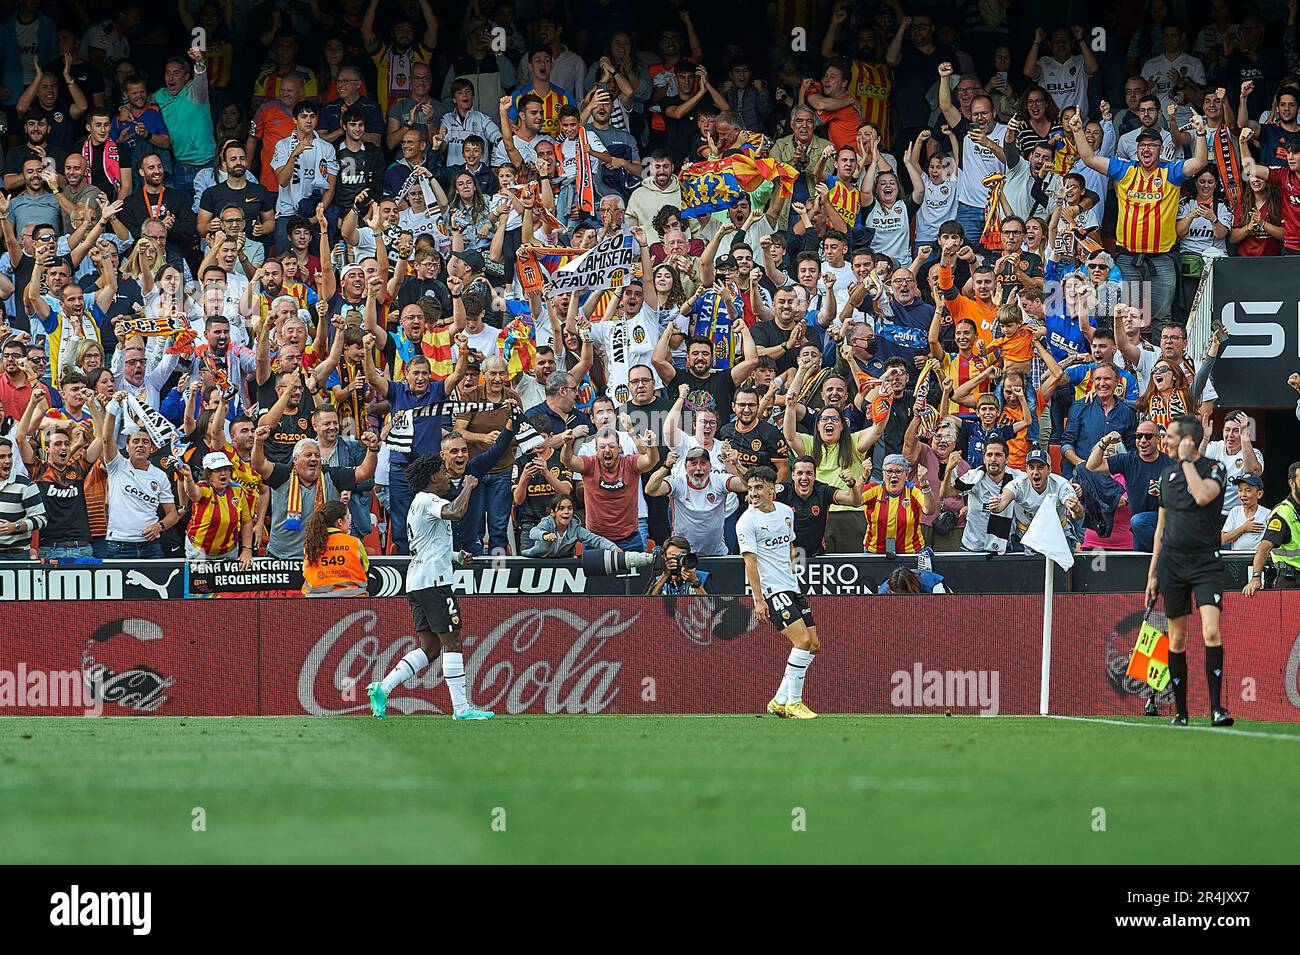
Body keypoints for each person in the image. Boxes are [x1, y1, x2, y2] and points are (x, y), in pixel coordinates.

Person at [367, 455, 494, 721]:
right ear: (433, 477)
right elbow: (457, 513)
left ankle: (383, 687)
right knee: (453, 641)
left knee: (431, 648)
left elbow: (430, 545)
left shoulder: (418, 504)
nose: (448, 477)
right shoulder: (429, 500)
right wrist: (469, 486)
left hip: (418, 581)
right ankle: (461, 709)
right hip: (434, 582)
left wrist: (456, 556)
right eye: (444, 473)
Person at [1145, 415, 1233, 728]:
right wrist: (1152, 574)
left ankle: (1216, 709)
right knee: (1177, 639)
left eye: (1169, 436)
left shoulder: (1214, 468)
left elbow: (1202, 496)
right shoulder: (1166, 475)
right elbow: (1160, 529)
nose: (1164, 441)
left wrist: (1186, 460)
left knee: (1211, 631)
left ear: (1188, 441)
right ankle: (1181, 714)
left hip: (1205, 562)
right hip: (1172, 563)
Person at [737, 466, 819, 720]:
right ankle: (794, 702)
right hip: (773, 591)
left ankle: (779, 700)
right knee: (802, 642)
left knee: (813, 645)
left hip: (792, 586)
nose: (754, 493)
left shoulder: (785, 512)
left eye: (759, 487)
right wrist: (759, 601)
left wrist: (792, 564)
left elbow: (789, 542)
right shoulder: (747, 521)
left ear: (772, 490)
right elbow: (750, 563)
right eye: (750, 488)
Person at [177, 450, 253, 565]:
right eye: (217, 470)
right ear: (208, 474)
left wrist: (247, 550)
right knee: (199, 582)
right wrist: (188, 477)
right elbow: (192, 493)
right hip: (199, 550)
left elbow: (246, 521)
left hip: (229, 551)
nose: (223, 473)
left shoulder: (238, 490)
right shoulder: (203, 488)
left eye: (226, 469)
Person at [1243, 462, 1300, 595]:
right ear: (1292, 483)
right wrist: (1256, 578)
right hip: (1290, 582)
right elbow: (1264, 548)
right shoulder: (1283, 514)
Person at [301, 500, 369, 596]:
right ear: (340, 522)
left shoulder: (310, 544)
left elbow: (305, 572)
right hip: (353, 600)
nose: (349, 522)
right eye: (347, 517)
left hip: (316, 602)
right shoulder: (355, 542)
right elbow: (365, 568)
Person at [1221, 475, 1271, 553]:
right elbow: (1223, 540)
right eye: (1240, 490)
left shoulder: (1267, 514)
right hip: (1236, 560)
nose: (1243, 494)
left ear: (1259, 494)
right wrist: (1243, 528)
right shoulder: (1235, 511)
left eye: (1248, 490)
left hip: (1258, 560)